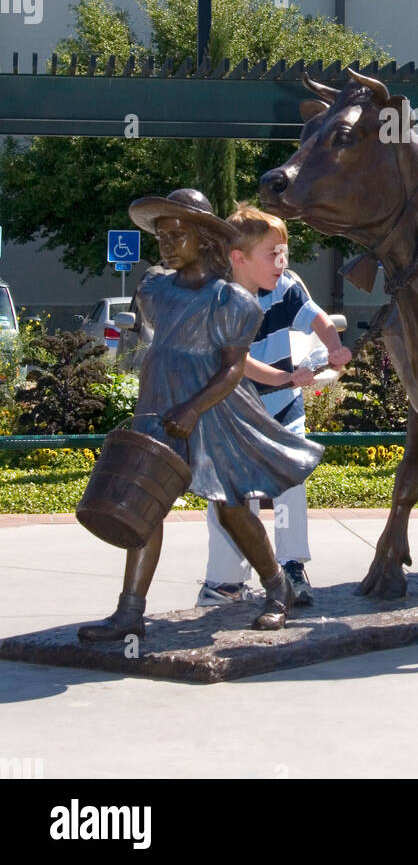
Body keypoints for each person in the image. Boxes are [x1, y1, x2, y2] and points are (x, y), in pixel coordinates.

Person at [77, 189, 323, 643]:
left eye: (177, 234)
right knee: (144, 508)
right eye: (161, 236)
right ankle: (129, 611)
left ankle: (277, 588)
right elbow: (162, 344)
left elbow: (232, 368)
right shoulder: (154, 290)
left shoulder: (231, 300)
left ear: (206, 238)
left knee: (231, 509)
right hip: (158, 403)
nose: (166, 244)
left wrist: (192, 408)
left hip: (212, 411)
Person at [197, 204, 352, 608]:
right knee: (230, 499)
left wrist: (334, 347)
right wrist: (285, 377)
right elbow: (239, 363)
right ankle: (224, 583)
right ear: (238, 258)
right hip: (236, 415)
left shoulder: (287, 284)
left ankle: (290, 566)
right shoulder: (219, 298)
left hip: (283, 409)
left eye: (284, 252)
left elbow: (317, 317)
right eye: (272, 254)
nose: (282, 262)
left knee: (291, 481)